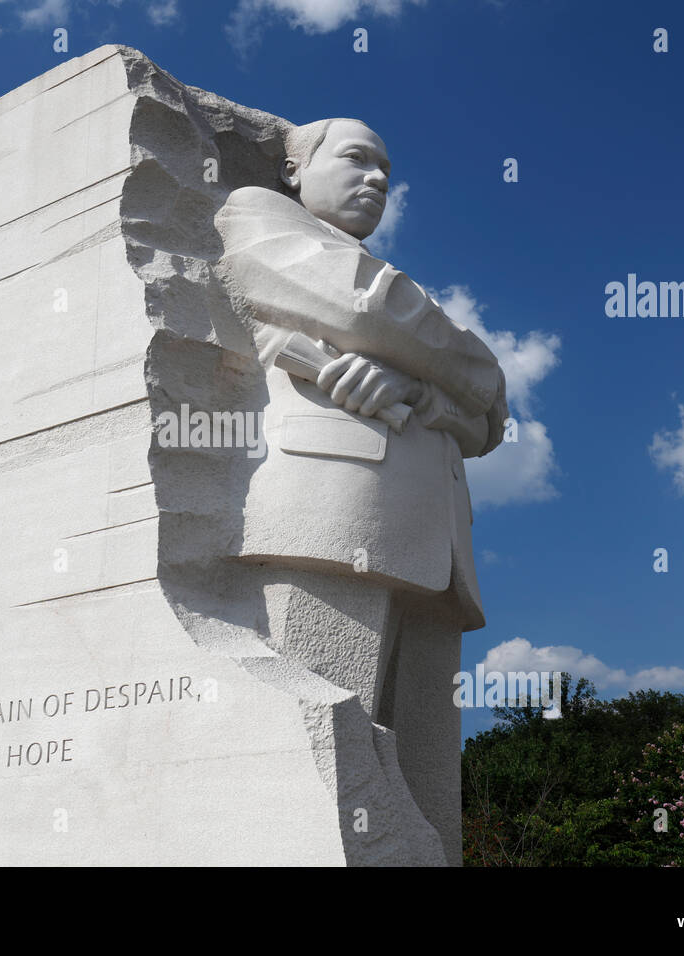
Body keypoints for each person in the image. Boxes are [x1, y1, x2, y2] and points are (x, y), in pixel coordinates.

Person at [211, 118, 508, 862]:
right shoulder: (256, 213)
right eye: (356, 160)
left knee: (428, 789)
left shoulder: (408, 305)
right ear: (293, 170)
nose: (377, 179)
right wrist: (463, 368)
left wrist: (417, 383)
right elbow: (363, 308)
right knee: (320, 759)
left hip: (434, 545)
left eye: (387, 168)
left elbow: (492, 412)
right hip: (332, 512)